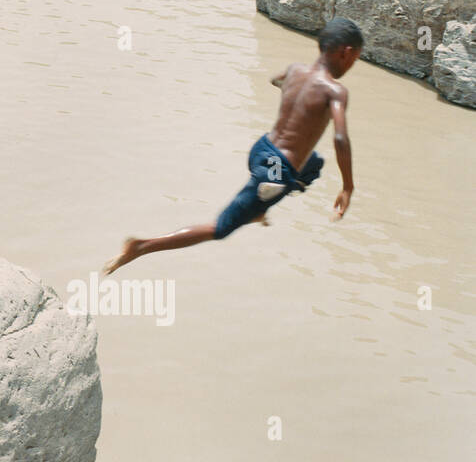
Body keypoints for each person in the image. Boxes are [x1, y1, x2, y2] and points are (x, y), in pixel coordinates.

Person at [102, 18, 363, 274]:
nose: (352, 65)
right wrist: (348, 186)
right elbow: (340, 138)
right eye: (355, 59)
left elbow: (276, 80)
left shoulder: (295, 70)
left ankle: (259, 206)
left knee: (312, 165)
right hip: (275, 170)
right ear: (345, 52)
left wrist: (297, 97)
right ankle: (141, 247)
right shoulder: (335, 91)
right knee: (220, 228)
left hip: (262, 150)